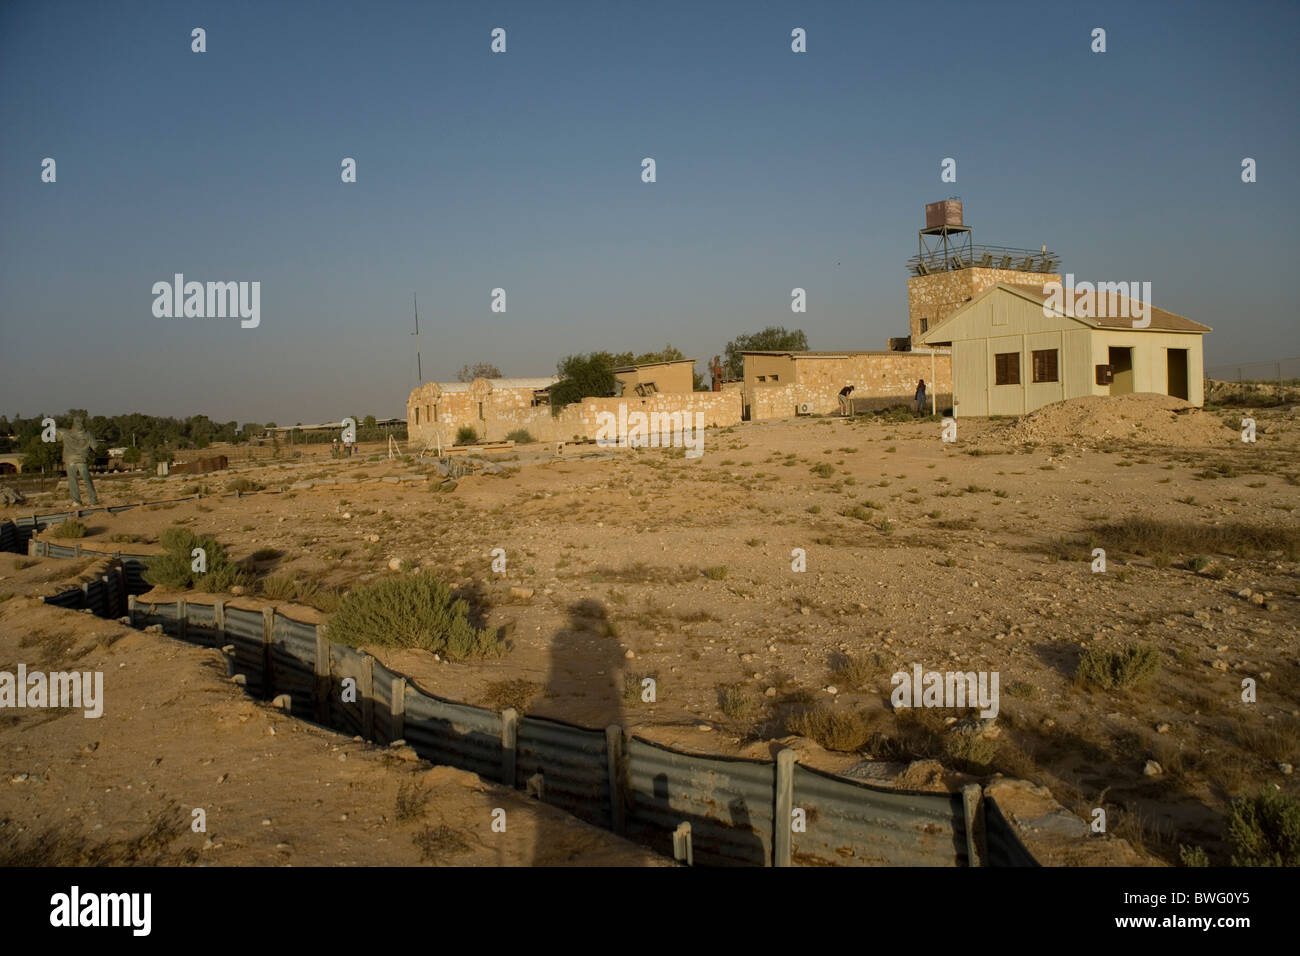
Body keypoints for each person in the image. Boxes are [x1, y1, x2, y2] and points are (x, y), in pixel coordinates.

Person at [62, 415, 100, 506]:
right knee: (87, 480)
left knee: (72, 481)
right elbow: (96, 447)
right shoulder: (87, 434)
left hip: (70, 460)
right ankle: (93, 500)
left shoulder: (66, 433)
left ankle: (76, 501)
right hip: (82, 460)